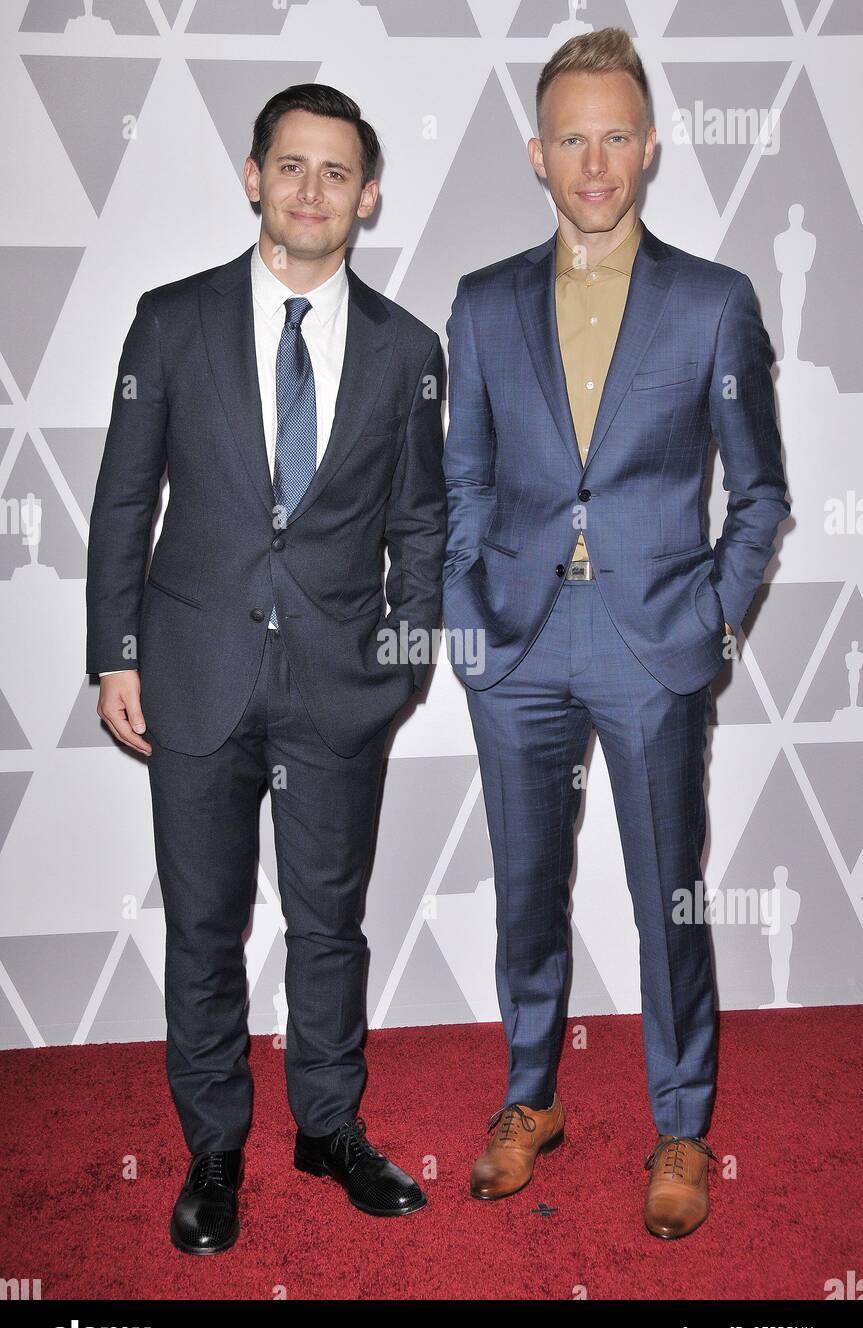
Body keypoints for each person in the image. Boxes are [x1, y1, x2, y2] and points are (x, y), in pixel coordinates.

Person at [86, 84, 446, 1253]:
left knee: (328, 925)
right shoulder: (170, 322)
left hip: (338, 686)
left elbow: (421, 528)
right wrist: (114, 654)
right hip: (191, 671)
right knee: (205, 924)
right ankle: (213, 1148)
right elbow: (124, 501)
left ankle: (328, 1127)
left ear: (367, 195)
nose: (310, 191)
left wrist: (401, 661)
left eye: (335, 173)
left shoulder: (405, 350)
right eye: (290, 167)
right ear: (253, 177)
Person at [442, 27, 789, 1237]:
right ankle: (527, 1099)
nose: (595, 162)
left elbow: (760, 495)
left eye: (616, 136)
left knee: (665, 897)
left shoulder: (712, 302)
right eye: (571, 139)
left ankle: (680, 1122)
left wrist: (705, 617)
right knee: (526, 895)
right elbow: (465, 485)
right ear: (537, 155)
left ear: (647, 147)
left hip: (652, 645)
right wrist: (462, 621)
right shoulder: (483, 304)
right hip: (518, 644)